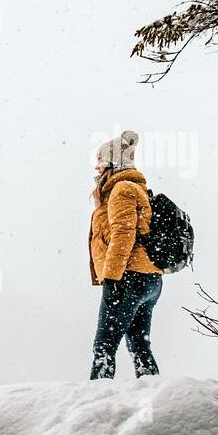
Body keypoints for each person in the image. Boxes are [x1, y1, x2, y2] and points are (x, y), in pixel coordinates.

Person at [88, 130, 162, 379]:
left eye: (101, 162)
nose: (97, 168)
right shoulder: (134, 188)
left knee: (104, 346)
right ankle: (157, 395)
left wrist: (111, 278)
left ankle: (95, 404)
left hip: (127, 279)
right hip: (149, 279)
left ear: (113, 164)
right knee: (140, 345)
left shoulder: (121, 189)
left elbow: (123, 235)